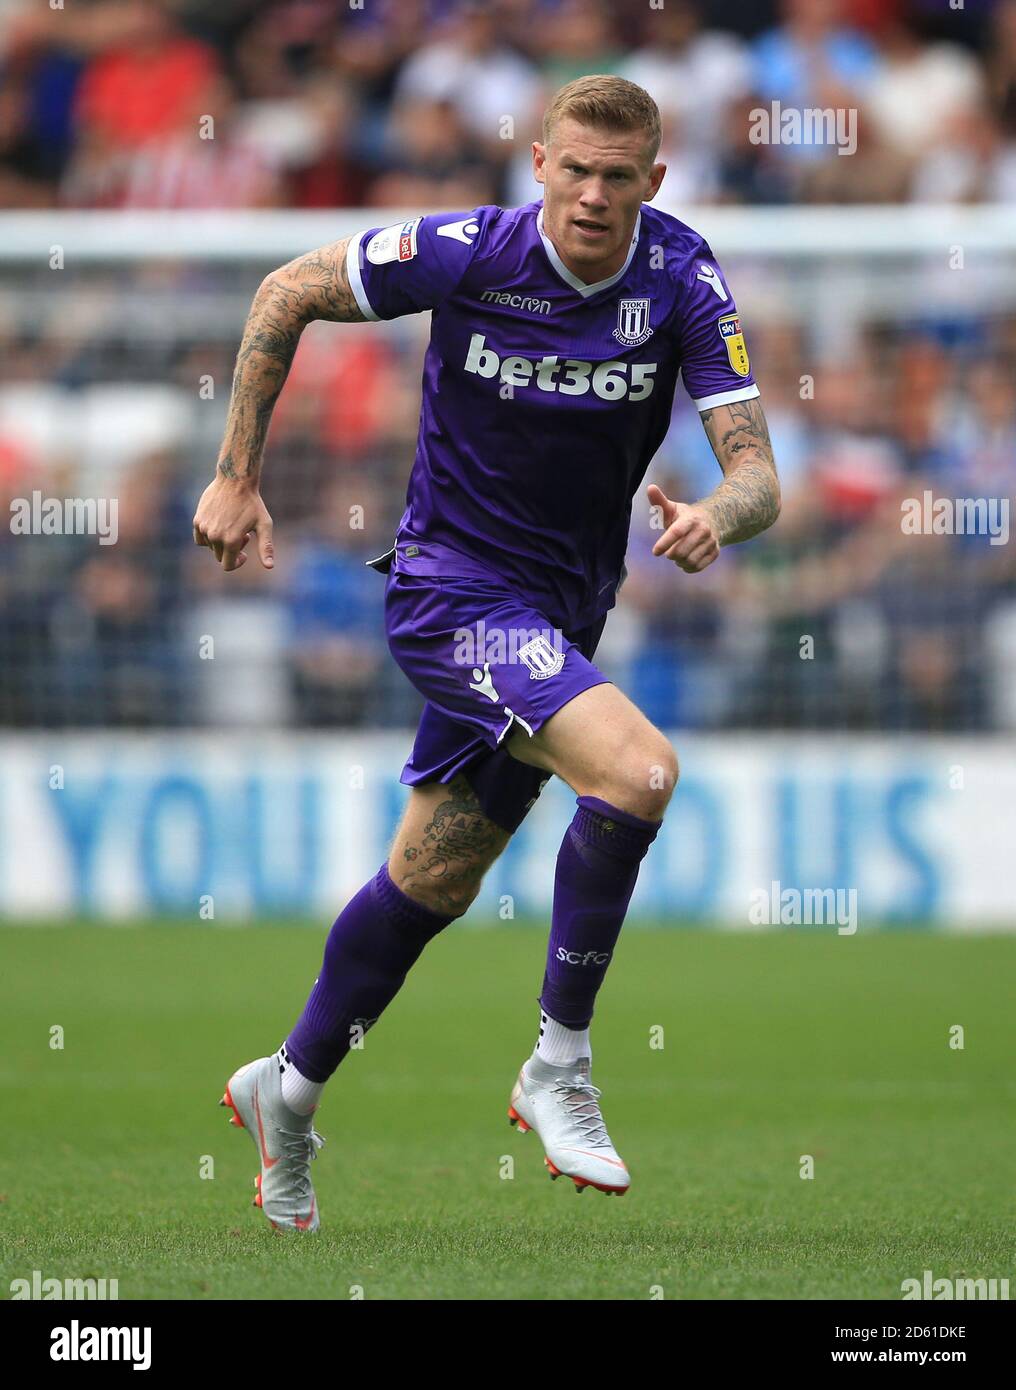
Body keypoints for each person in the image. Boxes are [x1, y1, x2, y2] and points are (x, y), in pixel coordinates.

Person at [193, 75, 780, 1231]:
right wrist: (236, 474)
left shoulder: (680, 278)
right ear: (538, 165)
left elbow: (755, 466)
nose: (594, 195)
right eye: (575, 169)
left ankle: (288, 1090)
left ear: (652, 182)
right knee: (638, 770)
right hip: (448, 591)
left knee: (432, 880)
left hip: (559, 618)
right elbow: (286, 291)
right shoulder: (468, 251)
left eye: (620, 177)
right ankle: (558, 1065)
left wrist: (722, 512)